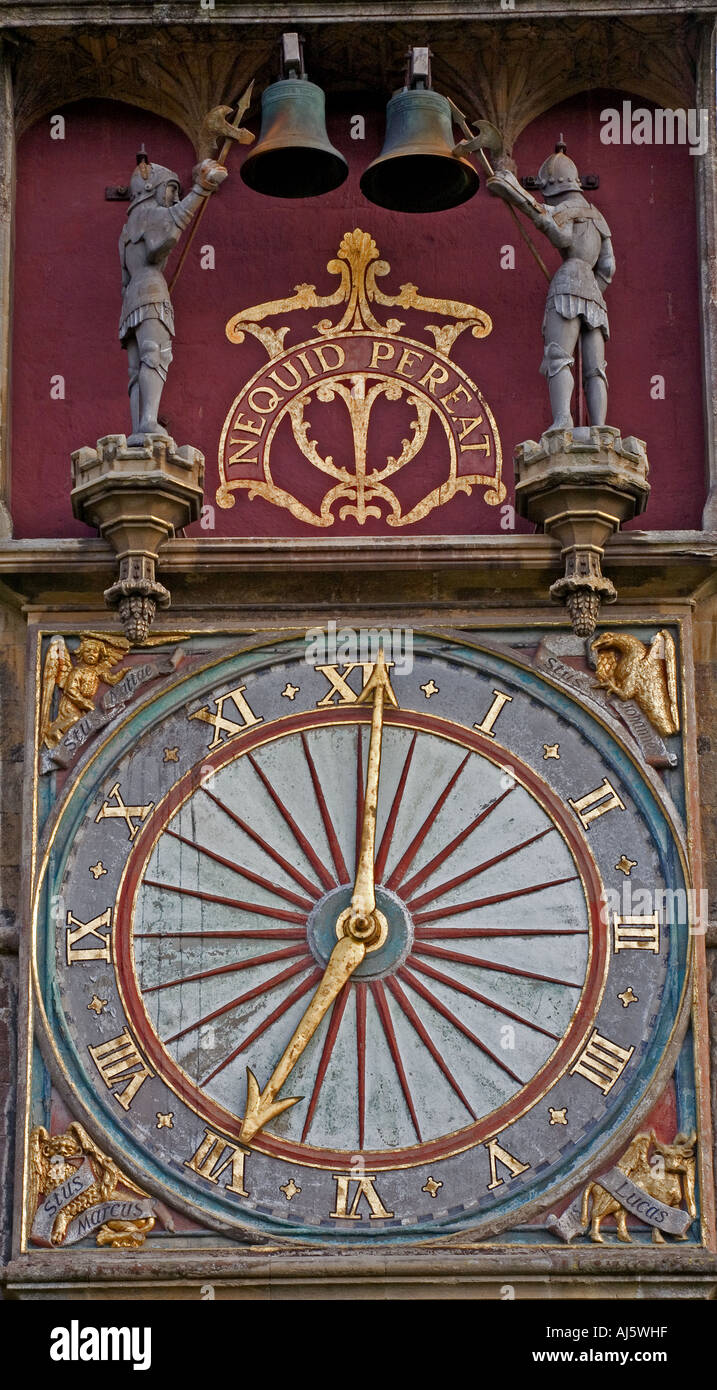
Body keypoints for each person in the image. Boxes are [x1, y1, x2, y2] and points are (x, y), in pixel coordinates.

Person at [487, 142, 615, 430]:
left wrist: (524, 204)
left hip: (568, 282)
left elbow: (562, 238)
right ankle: (599, 427)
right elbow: (608, 267)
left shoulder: (567, 209)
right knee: (596, 369)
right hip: (594, 295)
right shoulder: (599, 217)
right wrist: (590, 288)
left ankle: (562, 421)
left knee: (559, 356)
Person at [119, 151, 227, 444]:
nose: (175, 199)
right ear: (152, 188)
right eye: (171, 190)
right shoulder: (150, 215)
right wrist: (200, 189)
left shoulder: (128, 229)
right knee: (156, 355)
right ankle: (148, 423)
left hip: (131, 299)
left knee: (137, 366)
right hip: (152, 290)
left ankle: (140, 427)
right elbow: (164, 237)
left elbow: (125, 278)